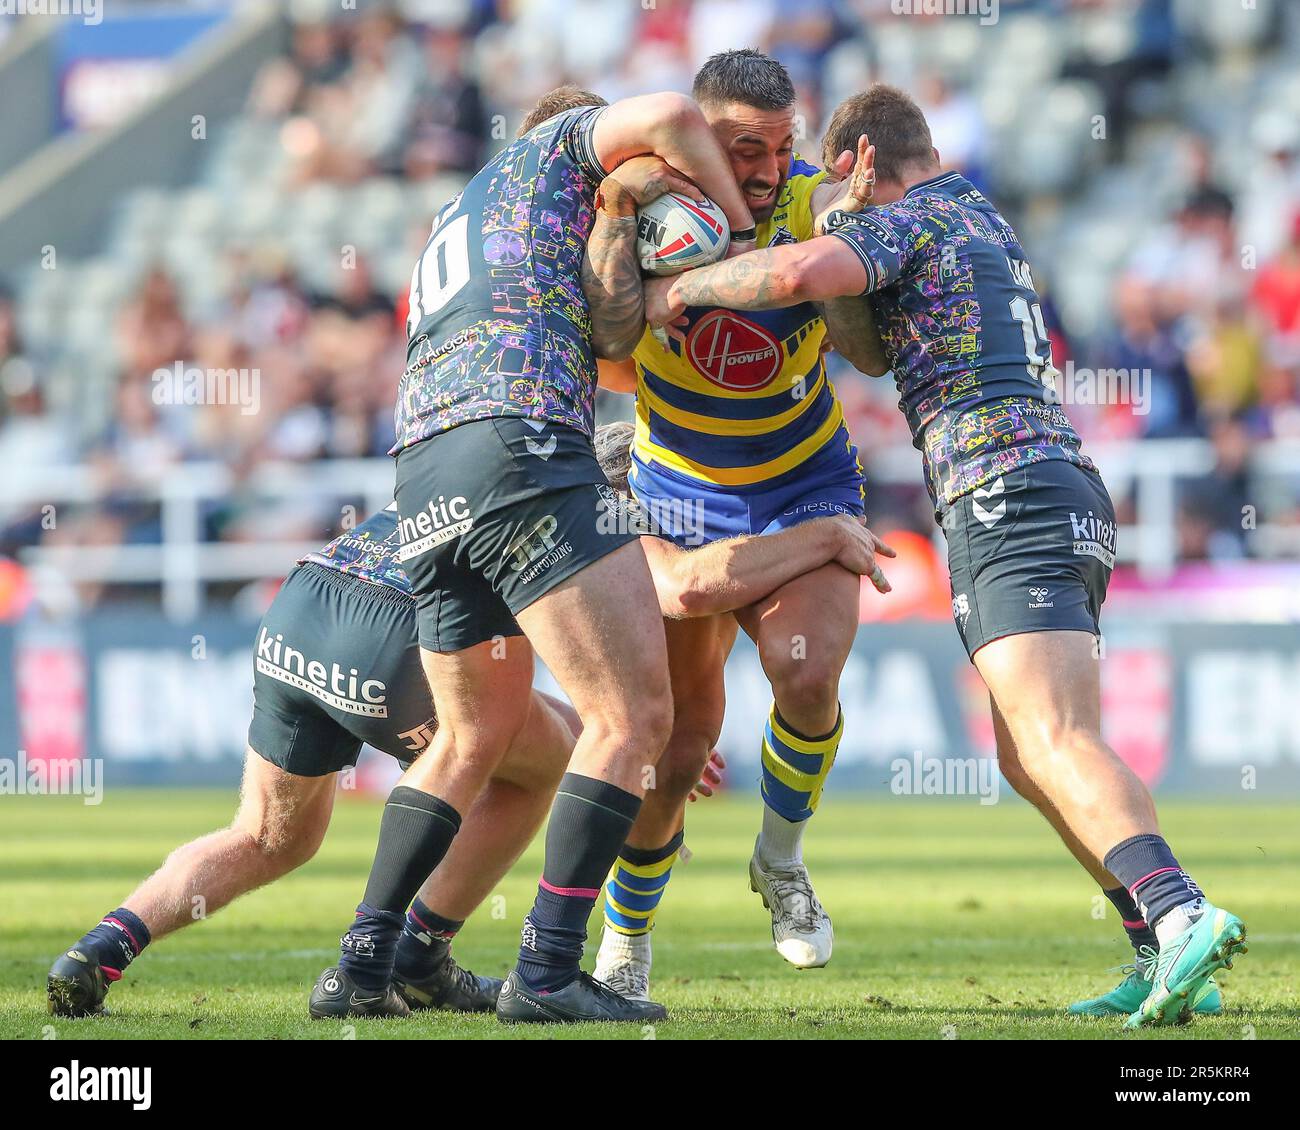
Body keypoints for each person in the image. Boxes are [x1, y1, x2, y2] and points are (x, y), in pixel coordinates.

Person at [642, 83, 1246, 1029]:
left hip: (1005, 492)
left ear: (863, 169)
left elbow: (799, 277)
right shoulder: (980, 216)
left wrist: (678, 288)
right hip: (1057, 486)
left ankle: (1179, 912)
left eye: (847, 197)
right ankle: (1160, 950)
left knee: (1055, 737)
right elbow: (869, 350)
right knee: (1025, 753)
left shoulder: (908, 215)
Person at [584, 49, 884, 996]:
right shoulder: (647, 204)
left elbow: (862, 355)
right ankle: (626, 941)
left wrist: (848, 249)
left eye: (779, 147)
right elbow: (610, 338)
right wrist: (621, 224)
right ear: (696, 140)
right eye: (742, 148)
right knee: (672, 748)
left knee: (806, 671)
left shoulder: (812, 203)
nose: (763, 168)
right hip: (677, 491)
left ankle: (780, 862)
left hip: (806, 479)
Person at [47, 507, 577, 1019]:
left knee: (267, 836)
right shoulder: (578, 495)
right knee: (544, 757)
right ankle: (418, 957)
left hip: (306, 601)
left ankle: (102, 947)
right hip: (401, 631)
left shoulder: (467, 430)